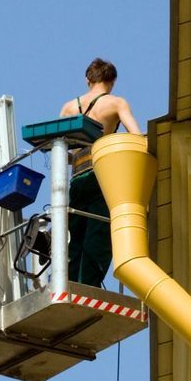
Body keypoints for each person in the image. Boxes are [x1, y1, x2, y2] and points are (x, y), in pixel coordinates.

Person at [60, 58, 142, 287]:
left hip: (77, 177)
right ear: (112, 81)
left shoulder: (68, 108)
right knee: (99, 232)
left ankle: (69, 283)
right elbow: (136, 137)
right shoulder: (115, 103)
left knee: (74, 234)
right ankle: (88, 285)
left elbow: (63, 151)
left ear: (88, 79)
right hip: (102, 174)